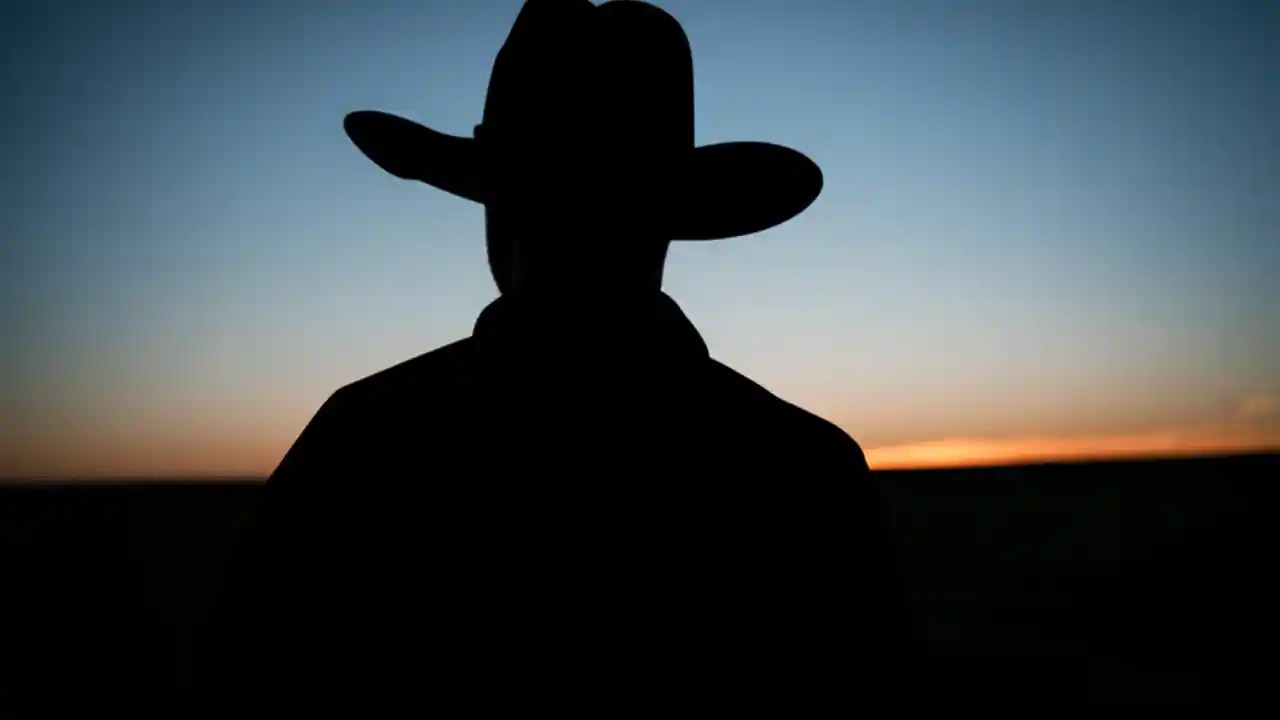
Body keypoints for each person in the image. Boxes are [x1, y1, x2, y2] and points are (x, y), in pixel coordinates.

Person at [205, 0, 901, 714]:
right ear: (670, 222)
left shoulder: (363, 436)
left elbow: (248, 691)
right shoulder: (805, 465)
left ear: (496, 209)